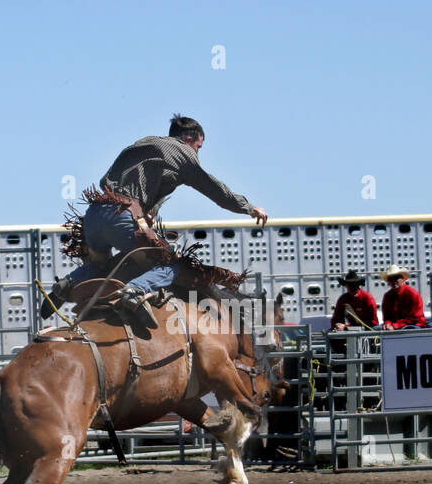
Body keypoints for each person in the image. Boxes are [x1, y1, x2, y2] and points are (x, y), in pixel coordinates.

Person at [43, 115, 268, 329]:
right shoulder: (182, 152)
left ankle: (67, 285)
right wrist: (247, 207)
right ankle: (135, 291)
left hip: (94, 215)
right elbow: (212, 187)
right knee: (169, 263)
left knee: (102, 266)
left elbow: (146, 186)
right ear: (189, 139)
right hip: (121, 215)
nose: (198, 153)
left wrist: (146, 212)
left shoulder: (146, 143)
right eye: (199, 147)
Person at [380, 265, 427, 329]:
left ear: (402, 279)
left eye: (396, 277)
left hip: (414, 324)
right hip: (394, 326)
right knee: (376, 329)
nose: (393, 281)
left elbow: (414, 318)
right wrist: (387, 324)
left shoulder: (412, 294)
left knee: (407, 329)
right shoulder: (387, 296)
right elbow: (387, 317)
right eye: (390, 279)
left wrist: (395, 326)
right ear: (388, 282)